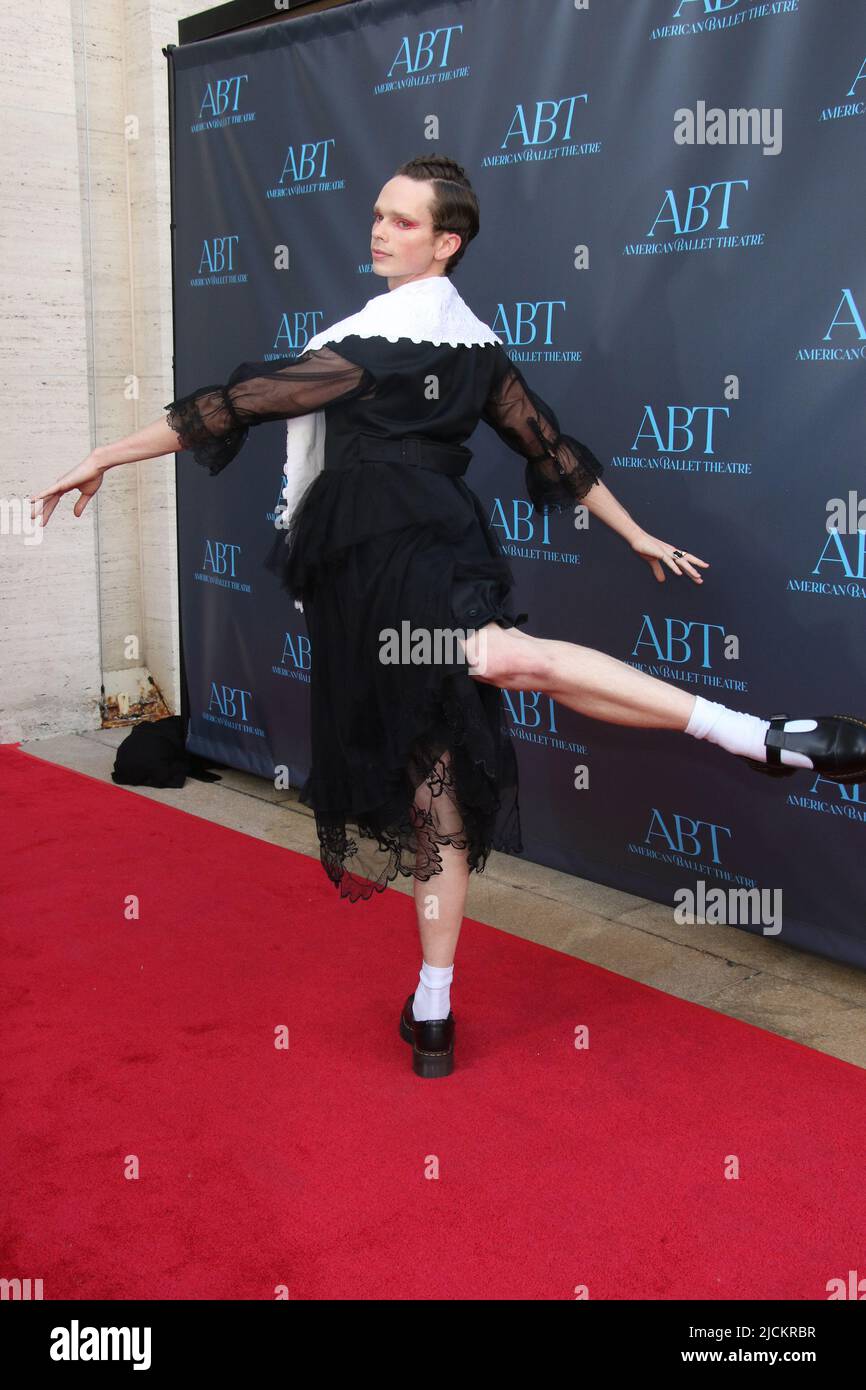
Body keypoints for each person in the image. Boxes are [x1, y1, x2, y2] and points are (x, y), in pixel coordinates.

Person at [30, 154, 866, 1079]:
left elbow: (230, 409)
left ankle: (756, 735)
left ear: (447, 241)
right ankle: (434, 1005)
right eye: (378, 214)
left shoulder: (370, 349)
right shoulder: (464, 350)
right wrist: (633, 534)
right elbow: (550, 453)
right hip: (405, 549)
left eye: (400, 220)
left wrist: (103, 453)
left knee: (503, 666)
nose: (378, 230)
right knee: (436, 785)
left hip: (390, 550)